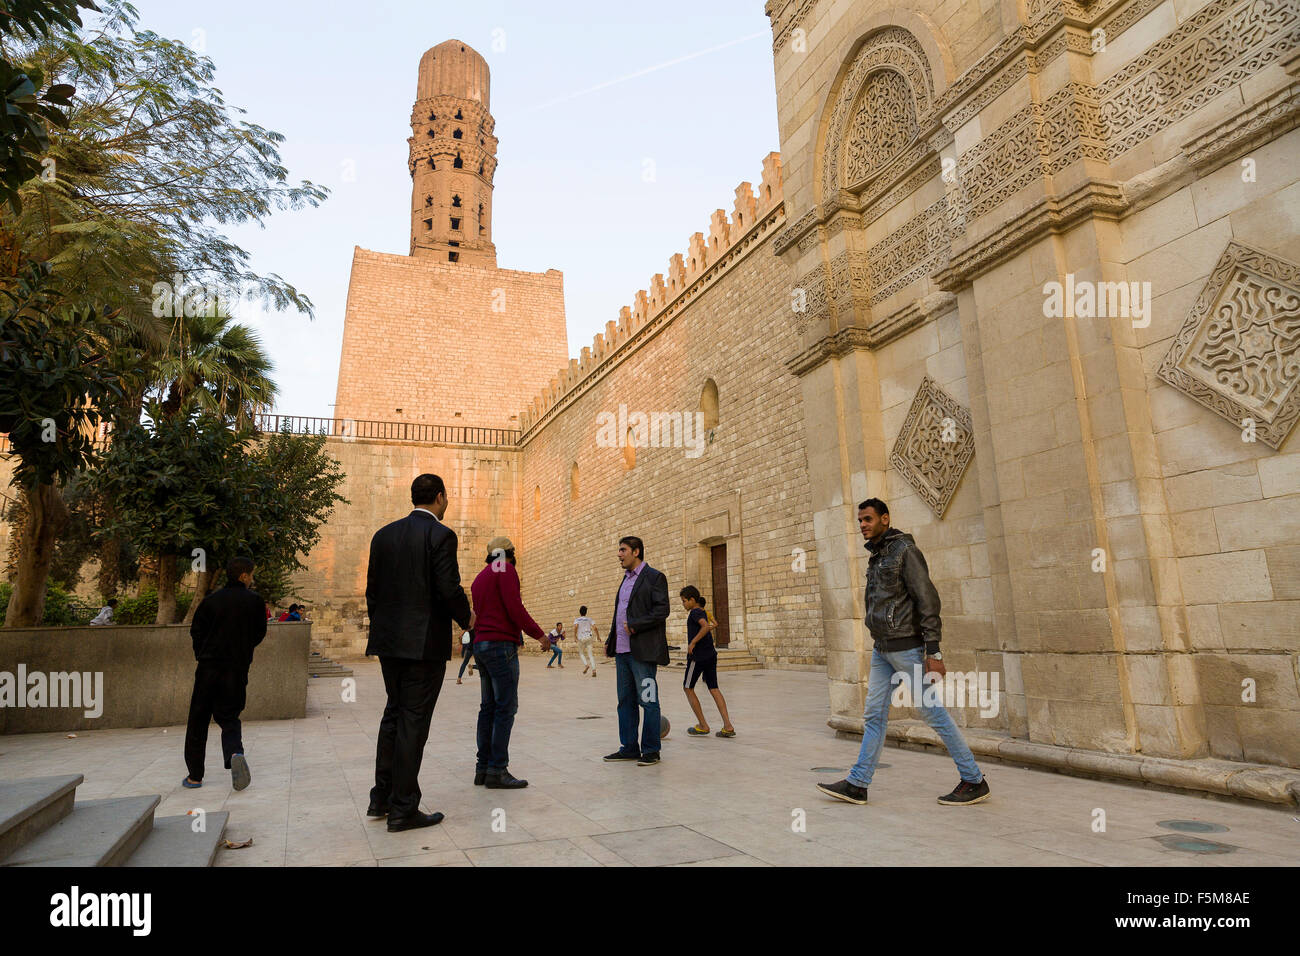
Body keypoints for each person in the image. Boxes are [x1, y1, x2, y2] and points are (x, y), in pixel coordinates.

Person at [817, 498, 990, 807]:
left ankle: (974, 779)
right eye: (860, 521)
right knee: (874, 715)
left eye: (868, 519)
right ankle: (858, 784)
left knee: (933, 714)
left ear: (885, 518)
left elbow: (928, 600)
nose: (863, 525)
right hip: (882, 650)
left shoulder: (905, 552)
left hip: (907, 648)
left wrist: (933, 652)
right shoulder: (878, 554)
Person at [365, 473, 473, 832]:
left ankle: (381, 798)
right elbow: (448, 587)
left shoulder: (383, 536)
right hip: (423, 645)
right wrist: (467, 617)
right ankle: (403, 809)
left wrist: (384, 628)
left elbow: (373, 593)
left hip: (389, 642)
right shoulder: (440, 535)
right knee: (413, 722)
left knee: (393, 714)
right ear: (440, 497)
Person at [182, 556, 266, 791]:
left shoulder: (211, 601)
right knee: (229, 717)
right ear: (243, 576)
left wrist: (203, 654)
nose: (252, 579)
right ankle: (234, 752)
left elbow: (196, 632)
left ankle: (194, 776)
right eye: (251, 574)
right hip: (236, 669)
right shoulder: (255, 601)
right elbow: (259, 633)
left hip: (209, 667)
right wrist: (243, 651)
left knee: (198, 720)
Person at [469, 536, 547, 788]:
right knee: (505, 708)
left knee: (488, 708)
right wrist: (539, 635)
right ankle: (497, 770)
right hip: (500, 645)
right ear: (510, 553)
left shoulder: (480, 577)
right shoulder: (505, 569)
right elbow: (515, 608)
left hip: (481, 645)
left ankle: (482, 768)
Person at [603, 536, 670, 766]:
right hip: (622, 653)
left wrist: (636, 625)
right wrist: (611, 639)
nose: (619, 554)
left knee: (648, 700)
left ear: (636, 551)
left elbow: (662, 610)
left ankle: (651, 750)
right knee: (625, 701)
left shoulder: (654, 577)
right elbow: (620, 612)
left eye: (623, 550)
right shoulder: (625, 580)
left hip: (643, 653)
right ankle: (629, 747)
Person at [679, 587, 735, 738]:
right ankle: (728, 726)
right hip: (710, 654)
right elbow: (706, 626)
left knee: (687, 687)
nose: (683, 604)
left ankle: (703, 725)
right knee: (714, 688)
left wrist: (693, 643)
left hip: (697, 657)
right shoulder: (702, 611)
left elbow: (705, 627)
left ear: (692, 600)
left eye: (684, 601)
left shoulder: (695, 612)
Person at [573, 605, 597, 676]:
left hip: (581, 638)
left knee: (581, 653)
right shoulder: (589, 619)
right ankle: (594, 671)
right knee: (590, 655)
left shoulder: (577, 620)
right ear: (586, 612)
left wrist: (575, 636)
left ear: (580, 612)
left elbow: (576, 627)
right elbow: (595, 628)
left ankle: (586, 665)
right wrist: (598, 636)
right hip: (589, 638)